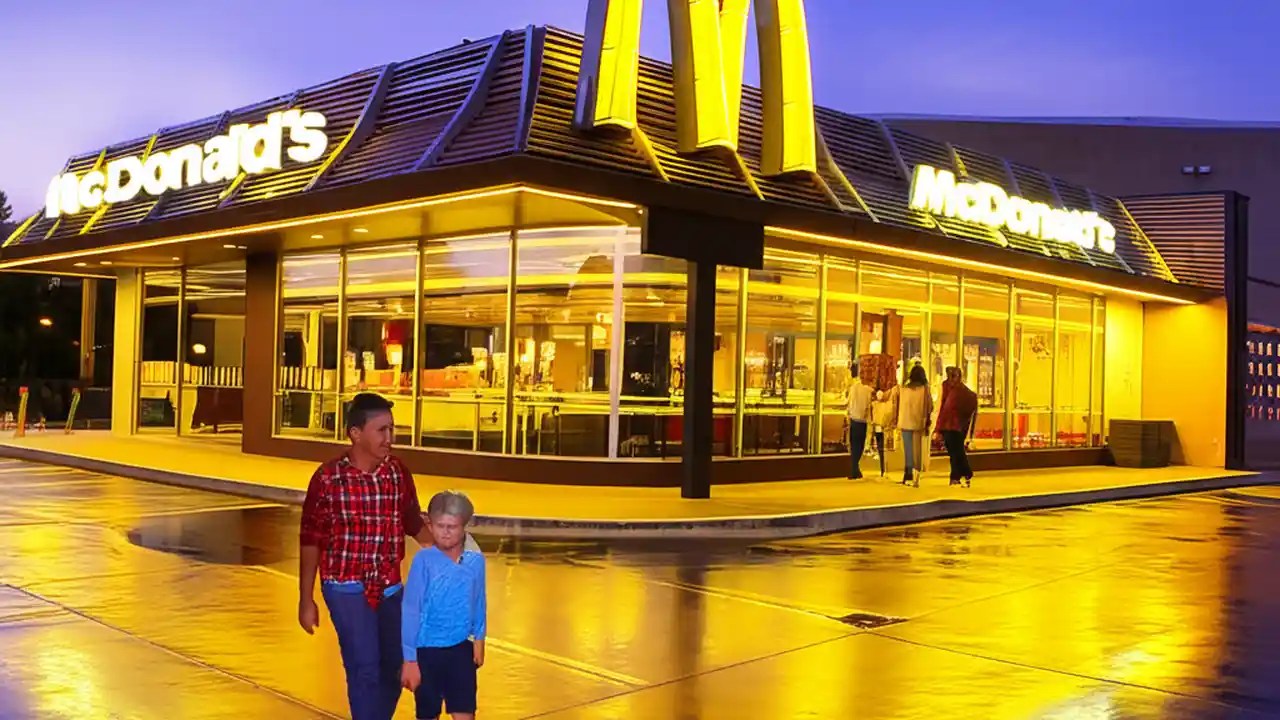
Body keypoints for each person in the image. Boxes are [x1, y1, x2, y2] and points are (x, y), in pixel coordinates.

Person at [299, 392, 429, 720]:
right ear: (356, 433)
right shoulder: (328, 479)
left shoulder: (398, 473)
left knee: (394, 665)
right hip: (345, 586)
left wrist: (450, 552)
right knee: (365, 667)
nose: (390, 438)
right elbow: (310, 539)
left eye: (392, 429)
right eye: (382, 430)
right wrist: (306, 598)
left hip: (388, 586)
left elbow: (412, 521)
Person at [401, 491, 487, 720]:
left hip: (460, 649)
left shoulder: (475, 561)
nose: (446, 532)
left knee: (464, 710)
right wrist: (410, 659)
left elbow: (479, 599)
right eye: (440, 526)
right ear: (430, 524)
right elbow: (411, 609)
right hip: (427, 650)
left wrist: (479, 638)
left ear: (464, 527)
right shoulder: (423, 562)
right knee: (428, 713)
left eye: (453, 526)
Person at [936, 366, 978, 487]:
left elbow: (942, 406)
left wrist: (938, 427)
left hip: (950, 424)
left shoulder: (951, 388)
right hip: (958, 425)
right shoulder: (961, 389)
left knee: (955, 452)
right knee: (957, 451)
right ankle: (961, 474)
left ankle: (960, 474)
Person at [897, 365, 933, 487]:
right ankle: (916, 476)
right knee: (917, 450)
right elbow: (929, 406)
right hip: (918, 422)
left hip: (905, 421)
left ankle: (907, 474)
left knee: (908, 449)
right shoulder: (924, 389)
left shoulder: (904, 388)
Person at [846, 363, 874, 479]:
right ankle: (854, 468)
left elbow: (849, 402)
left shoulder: (853, 388)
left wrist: (849, 414)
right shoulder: (869, 390)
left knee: (853, 445)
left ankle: (855, 469)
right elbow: (869, 405)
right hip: (861, 420)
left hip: (853, 419)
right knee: (860, 446)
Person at [871, 385, 898, 479]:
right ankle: (883, 469)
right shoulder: (877, 404)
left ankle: (884, 469)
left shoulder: (879, 404)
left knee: (883, 450)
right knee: (882, 449)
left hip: (882, 428)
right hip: (880, 428)